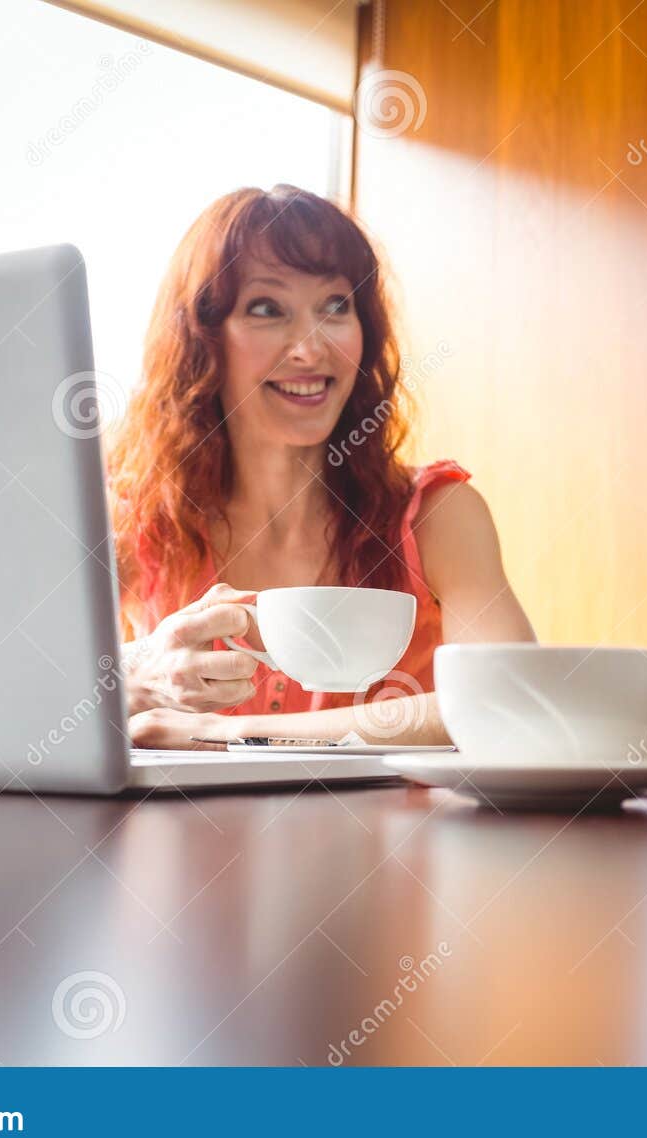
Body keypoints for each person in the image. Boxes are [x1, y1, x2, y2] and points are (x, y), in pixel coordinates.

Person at [108, 185, 534, 748]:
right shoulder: (134, 522)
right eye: (267, 308)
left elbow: (513, 701)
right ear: (202, 338)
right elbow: (14, 695)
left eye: (335, 306)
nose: (310, 349)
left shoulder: (437, 515)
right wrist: (134, 674)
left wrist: (233, 733)